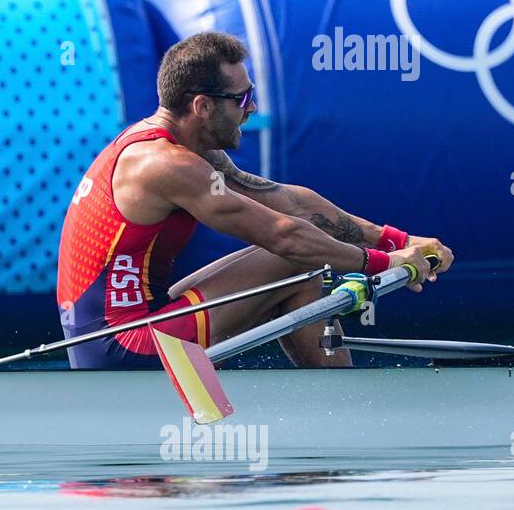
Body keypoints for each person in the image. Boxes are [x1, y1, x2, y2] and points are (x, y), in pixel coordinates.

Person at [56, 31, 452, 369]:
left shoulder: (187, 148)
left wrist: (398, 241)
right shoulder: (166, 164)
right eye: (242, 99)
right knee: (295, 257)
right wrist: (380, 264)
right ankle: (345, 412)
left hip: (136, 323)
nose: (254, 108)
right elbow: (283, 237)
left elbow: (291, 205)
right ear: (202, 106)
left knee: (305, 274)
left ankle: (337, 412)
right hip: (120, 346)